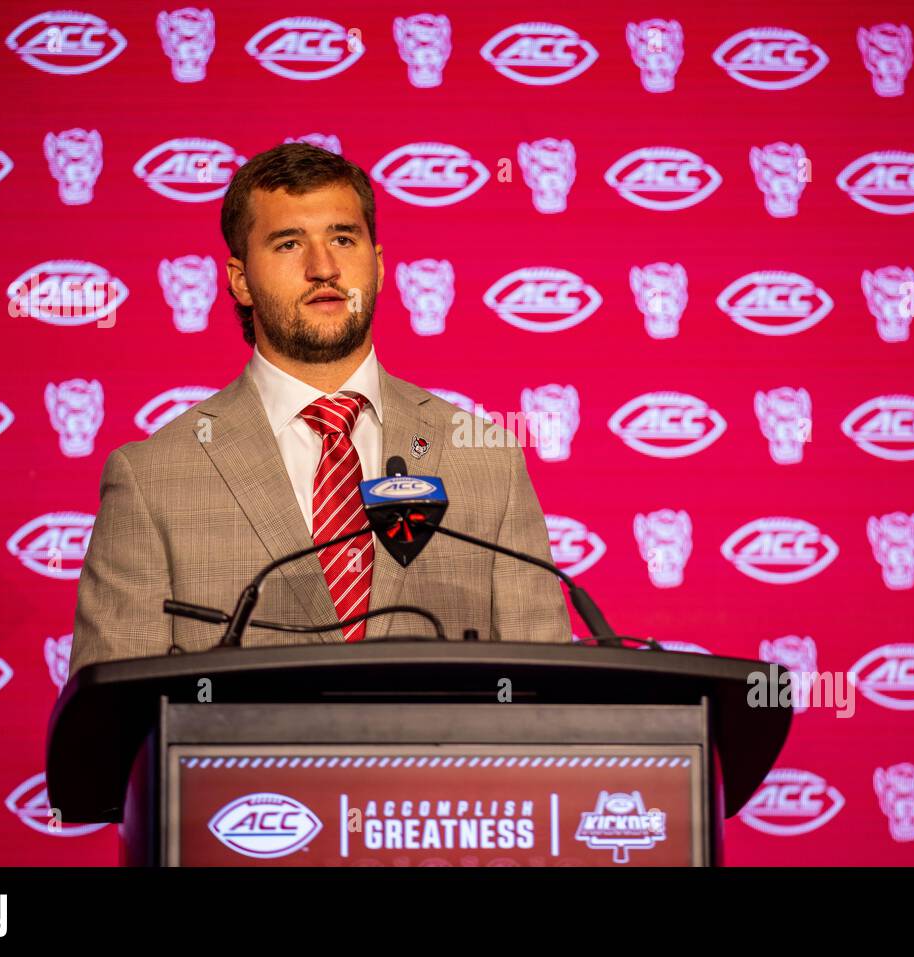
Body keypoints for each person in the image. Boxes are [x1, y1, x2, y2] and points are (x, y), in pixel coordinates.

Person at [69, 143, 570, 676]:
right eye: (288, 244)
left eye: (343, 238)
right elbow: (112, 724)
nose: (323, 267)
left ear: (376, 265)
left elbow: (548, 700)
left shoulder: (486, 462)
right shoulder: (153, 479)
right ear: (240, 279)